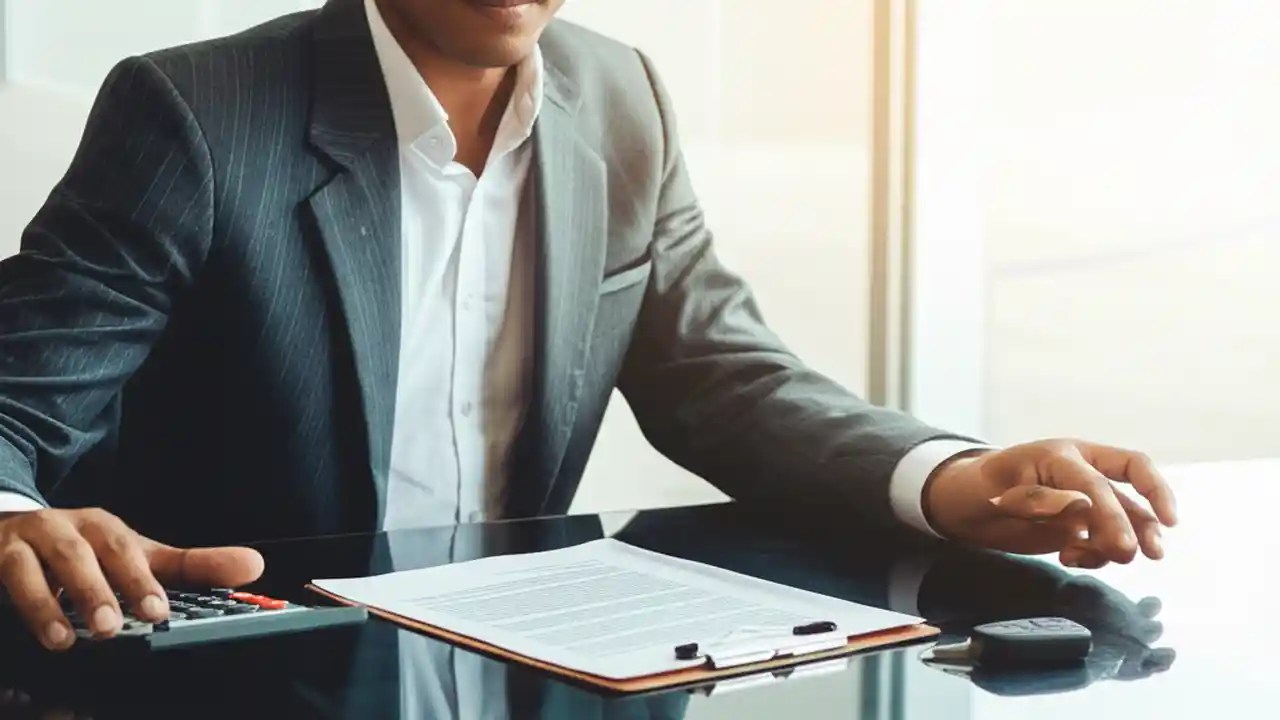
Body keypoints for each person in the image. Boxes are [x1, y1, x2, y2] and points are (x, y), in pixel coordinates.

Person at [0, 0, 1177, 651]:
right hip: (258, 660)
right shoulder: (196, 110)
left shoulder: (620, 93)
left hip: (538, 655)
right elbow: (16, 399)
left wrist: (950, 478)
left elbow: (719, 372)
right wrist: (13, 519)